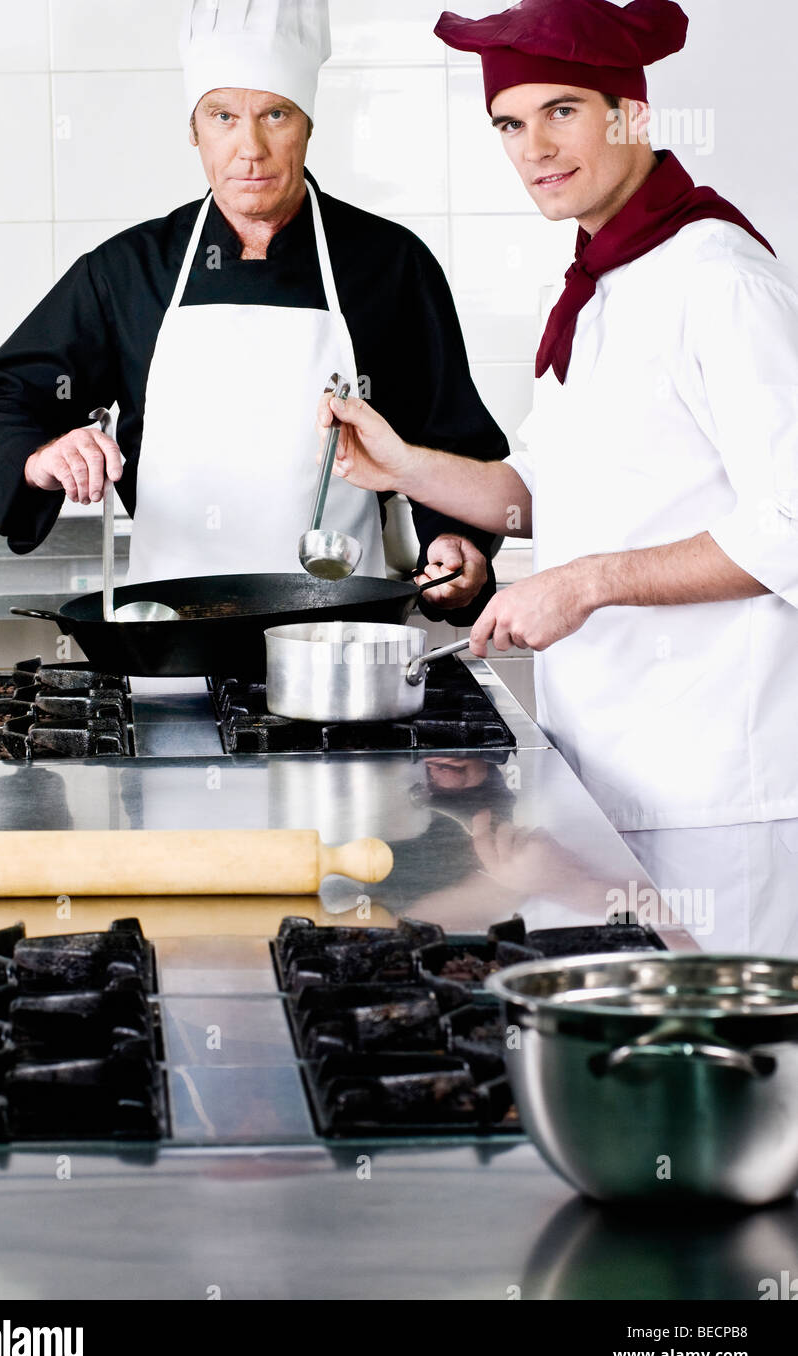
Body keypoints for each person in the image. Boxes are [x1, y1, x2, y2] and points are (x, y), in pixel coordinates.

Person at [315, 0, 798, 953]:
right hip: (609, 768)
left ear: (633, 116)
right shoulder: (601, 280)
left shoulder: (717, 278)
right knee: (646, 1075)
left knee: (746, 1079)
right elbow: (544, 486)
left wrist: (581, 585)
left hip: (720, 791)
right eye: (509, 123)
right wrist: (404, 464)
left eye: (563, 111)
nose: (534, 146)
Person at [0, 0, 505, 622]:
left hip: (336, 635)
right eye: (223, 116)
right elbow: (9, 400)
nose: (250, 149)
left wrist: (452, 543)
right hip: (166, 635)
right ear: (195, 129)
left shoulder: (390, 266)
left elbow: (450, 440)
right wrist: (40, 458)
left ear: (306, 124)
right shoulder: (129, 271)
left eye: (275, 114)